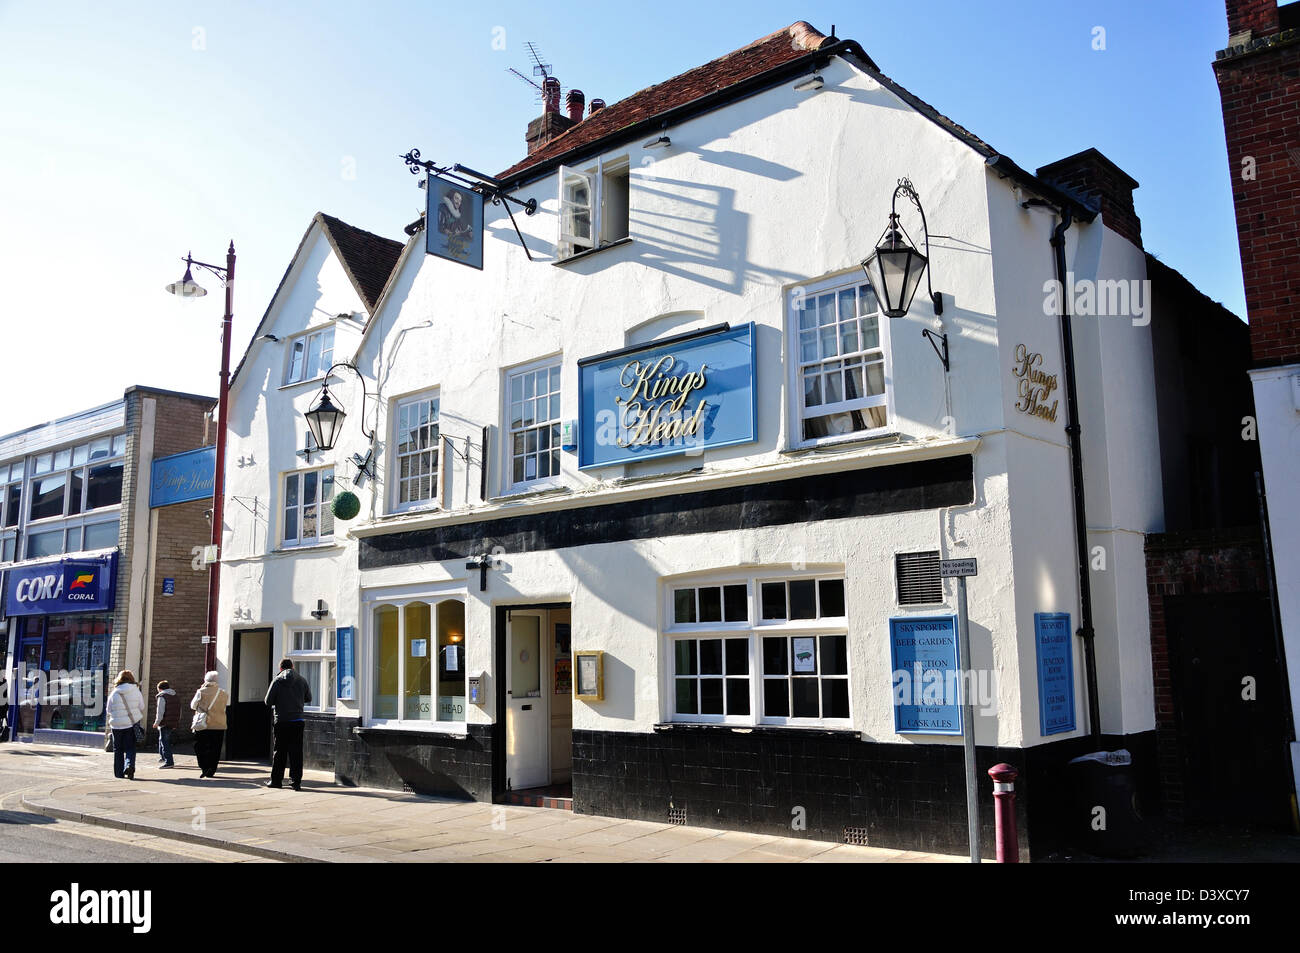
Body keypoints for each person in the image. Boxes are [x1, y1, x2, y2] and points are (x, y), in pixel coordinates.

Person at [264, 658, 311, 790]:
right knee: (296, 752)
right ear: (292, 667)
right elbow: (309, 698)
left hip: (282, 720)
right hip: (298, 720)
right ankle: (295, 782)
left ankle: (276, 781)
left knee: (279, 751)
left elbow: (268, 701)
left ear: (280, 668)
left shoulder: (277, 680)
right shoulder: (302, 680)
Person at [105, 670, 145, 780]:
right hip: (131, 724)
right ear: (131, 678)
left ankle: (119, 773)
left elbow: (108, 709)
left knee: (118, 749)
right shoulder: (136, 691)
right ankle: (129, 765)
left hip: (116, 725)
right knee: (130, 748)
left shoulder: (114, 692)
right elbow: (142, 707)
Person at [190, 671, 228, 779]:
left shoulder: (201, 691)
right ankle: (212, 769)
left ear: (206, 680)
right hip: (219, 724)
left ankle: (204, 766)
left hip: (204, 724)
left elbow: (193, 705)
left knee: (200, 746)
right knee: (215, 747)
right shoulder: (223, 693)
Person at [153, 680, 179, 767]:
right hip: (173, 721)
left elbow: (160, 711)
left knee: (164, 742)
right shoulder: (175, 696)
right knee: (163, 739)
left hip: (164, 722)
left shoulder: (162, 696)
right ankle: (163, 757)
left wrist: (157, 722)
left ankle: (169, 762)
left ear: (160, 689)